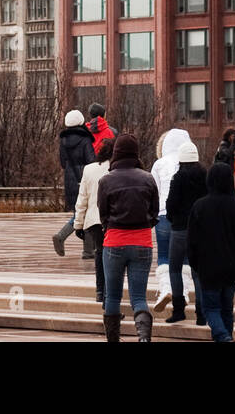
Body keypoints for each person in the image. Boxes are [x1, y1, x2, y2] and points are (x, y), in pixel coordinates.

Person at [97, 134, 159, 342]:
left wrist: (111, 226)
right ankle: (143, 338)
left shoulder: (106, 180)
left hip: (114, 241)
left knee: (112, 296)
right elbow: (154, 211)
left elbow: (103, 213)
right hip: (142, 241)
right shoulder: (148, 178)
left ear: (116, 154)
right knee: (139, 297)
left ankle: (113, 339)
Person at [187, 163, 235, 342]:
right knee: (226, 309)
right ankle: (226, 336)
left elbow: (192, 240)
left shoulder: (200, 206)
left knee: (212, 310)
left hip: (208, 267)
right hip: (232, 267)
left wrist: (196, 264)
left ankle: (224, 337)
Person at [164, 140, 207, 325]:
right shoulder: (205, 176)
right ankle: (201, 313)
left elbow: (170, 205)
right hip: (200, 230)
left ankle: (179, 310)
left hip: (180, 229)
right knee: (198, 272)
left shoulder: (178, 177)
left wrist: (175, 221)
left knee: (175, 269)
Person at [150, 127, 191, 310]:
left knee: (165, 257)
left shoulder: (159, 164)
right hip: (187, 217)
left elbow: (153, 192)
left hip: (163, 215)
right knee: (185, 258)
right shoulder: (190, 164)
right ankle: (183, 293)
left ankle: (166, 288)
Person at [74, 138, 114, 303]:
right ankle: (109, 291)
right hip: (112, 218)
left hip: (94, 220)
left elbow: (82, 198)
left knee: (100, 252)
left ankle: (100, 290)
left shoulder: (89, 170)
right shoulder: (115, 169)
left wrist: (78, 224)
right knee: (112, 255)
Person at [54, 111, 95, 257]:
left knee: (79, 212)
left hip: (69, 179)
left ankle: (87, 249)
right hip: (83, 177)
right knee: (88, 212)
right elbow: (91, 161)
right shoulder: (85, 139)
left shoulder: (63, 141)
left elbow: (62, 162)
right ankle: (84, 248)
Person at [214, 127, 235, 200]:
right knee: (231, 193)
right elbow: (228, 154)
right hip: (226, 172)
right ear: (228, 136)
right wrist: (234, 144)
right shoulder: (223, 145)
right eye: (233, 136)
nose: (234, 138)